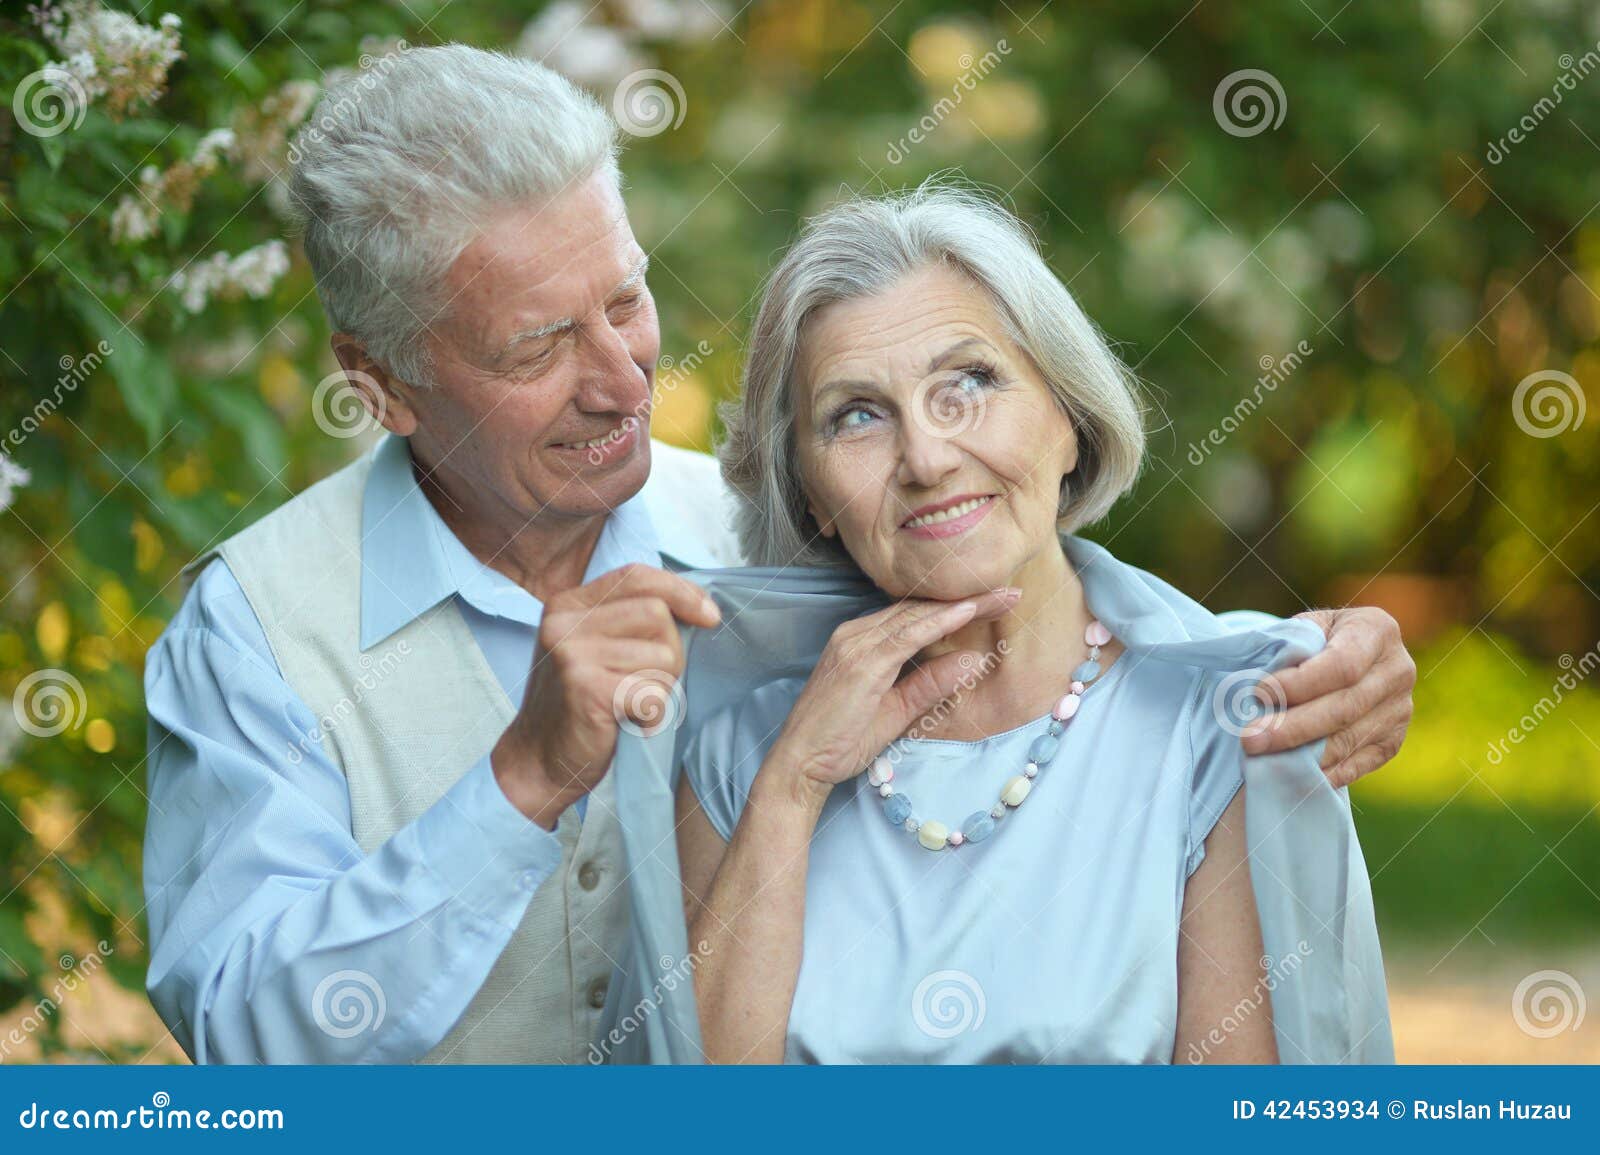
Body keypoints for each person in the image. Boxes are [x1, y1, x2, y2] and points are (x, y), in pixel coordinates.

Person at [143, 46, 1412, 1064]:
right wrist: (520, 784)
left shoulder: (760, 540)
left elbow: (1018, 573)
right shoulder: (258, 629)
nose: (619, 380)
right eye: (537, 349)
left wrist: (1308, 656)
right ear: (384, 387)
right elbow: (246, 1037)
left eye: (627, 301)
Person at [674, 186, 1400, 1063]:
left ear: (1069, 419)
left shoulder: (1222, 723)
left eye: (970, 382)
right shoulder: (742, 751)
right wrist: (792, 786)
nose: (927, 457)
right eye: (856, 414)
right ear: (810, 495)